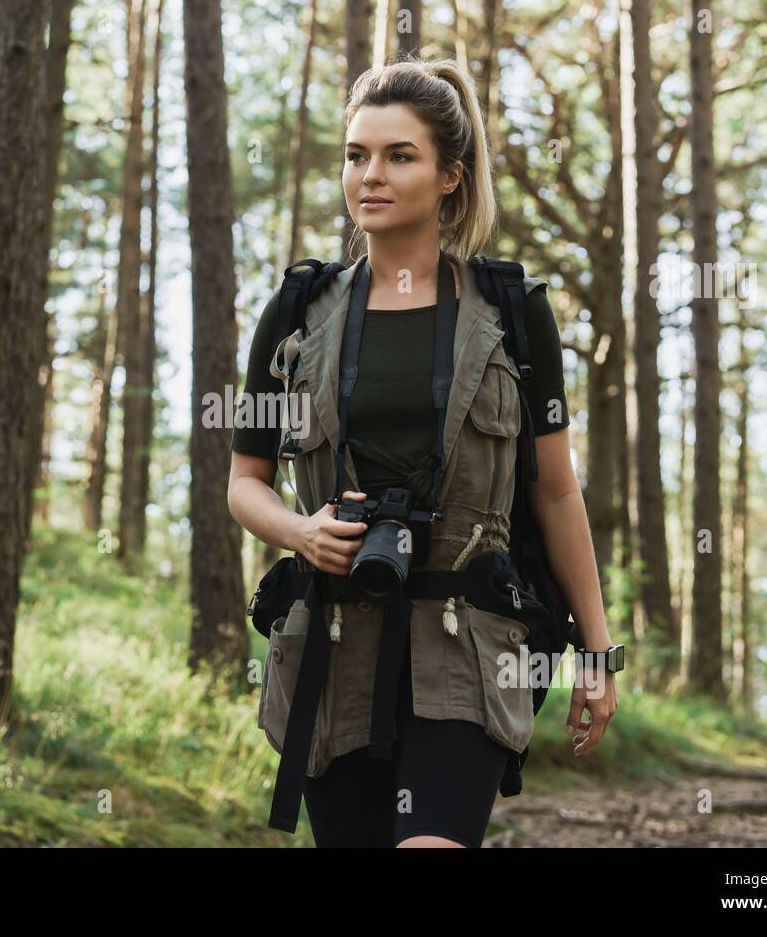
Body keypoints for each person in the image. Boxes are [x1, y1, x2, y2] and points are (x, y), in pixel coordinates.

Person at [227, 57, 617, 848]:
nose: (370, 175)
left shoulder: (512, 311)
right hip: (332, 650)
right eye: (355, 155)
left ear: (450, 177)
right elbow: (246, 482)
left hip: (470, 647)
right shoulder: (297, 312)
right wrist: (300, 533)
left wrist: (598, 651)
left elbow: (556, 494)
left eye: (399, 155)